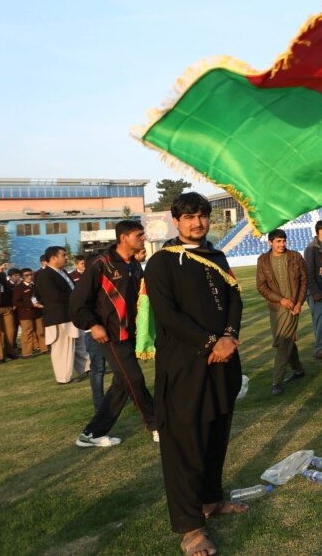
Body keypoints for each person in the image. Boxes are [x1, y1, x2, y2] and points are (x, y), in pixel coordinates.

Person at [144, 192, 245, 556]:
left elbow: (235, 298)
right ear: (176, 220)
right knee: (185, 443)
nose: (197, 222)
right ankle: (191, 528)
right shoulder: (161, 262)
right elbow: (168, 316)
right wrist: (210, 343)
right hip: (185, 367)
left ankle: (211, 500)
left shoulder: (217, 256)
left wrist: (229, 337)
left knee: (217, 432)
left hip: (223, 364)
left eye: (202, 215)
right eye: (189, 217)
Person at [71, 220, 156, 447]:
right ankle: (156, 423)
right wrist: (93, 325)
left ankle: (92, 434)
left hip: (131, 333)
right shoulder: (100, 264)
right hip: (109, 334)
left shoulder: (133, 265)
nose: (143, 238)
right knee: (134, 378)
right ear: (123, 238)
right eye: (139, 235)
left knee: (122, 383)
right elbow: (78, 302)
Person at [256, 229, 308, 396]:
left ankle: (276, 382)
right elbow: (261, 286)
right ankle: (298, 370)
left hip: (293, 307)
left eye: (284, 241)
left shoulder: (295, 257)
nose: (282, 244)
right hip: (276, 308)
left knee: (283, 342)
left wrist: (299, 302)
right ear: (270, 243)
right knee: (284, 340)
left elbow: (304, 281)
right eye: (278, 241)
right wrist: (280, 300)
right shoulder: (263, 260)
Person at [38, 246, 88, 384]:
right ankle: (63, 378)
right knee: (62, 349)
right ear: (53, 258)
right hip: (59, 317)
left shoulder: (62, 272)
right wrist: (76, 297)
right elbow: (54, 296)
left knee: (79, 344)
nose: (66, 257)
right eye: (63, 255)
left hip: (71, 314)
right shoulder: (44, 275)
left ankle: (87, 369)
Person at [304, 221, 322, 360]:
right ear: (320, 231)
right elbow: (309, 271)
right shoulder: (312, 248)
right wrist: (314, 291)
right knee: (321, 318)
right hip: (317, 290)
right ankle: (320, 348)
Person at [13, 268, 46, 358]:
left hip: (37, 312)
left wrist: (40, 303)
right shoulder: (18, 288)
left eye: (31, 274)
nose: (29, 277)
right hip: (25, 314)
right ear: (22, 277)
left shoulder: (35, 285)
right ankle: (27, 353)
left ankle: (44, 348)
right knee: (27, 333)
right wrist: (31, 305)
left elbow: (41, 296)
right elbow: (16, 302)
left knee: (41, 331)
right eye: (26, 275)